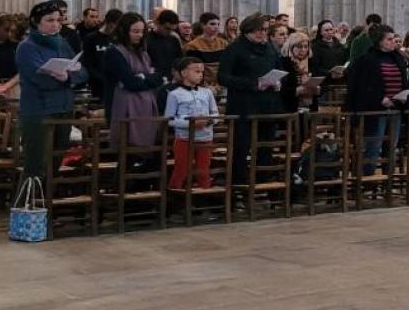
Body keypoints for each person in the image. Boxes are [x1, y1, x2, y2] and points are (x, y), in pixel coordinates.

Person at [16, 0, 87, 178]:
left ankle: (47, 201)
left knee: (55, 163)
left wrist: (68, 77)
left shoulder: (61, 43)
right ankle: (30, 203)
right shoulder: (27, 47)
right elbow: (40, 78)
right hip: (39, 111)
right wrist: (65, 78)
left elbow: (82, 72)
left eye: (58, 20)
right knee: (37, 164)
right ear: (35, 21)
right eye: (50, 20)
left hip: (64, 107)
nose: (55, 24)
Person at [219, 13, 282, 186]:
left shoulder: (269, 48)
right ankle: (238, 185)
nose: (263, 34)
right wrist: (254, 84)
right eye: (259, 30)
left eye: (265, 30)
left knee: (265, 148)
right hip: (243, 107)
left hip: (267, 105)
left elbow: (279, 68)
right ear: (247, 31)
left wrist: (277, 82)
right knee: (241, 148)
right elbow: (223, 77)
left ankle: (262, 184)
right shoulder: (235, 49)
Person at [345, 24, 409, 174]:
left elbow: (402, 80)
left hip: (395, 108)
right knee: (373, 147)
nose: (393, 41)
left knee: (392, 147)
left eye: (394, 38)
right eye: (389, 39)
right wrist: (380, 99)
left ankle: (388, 180)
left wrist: (405, 94)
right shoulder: (367, 60)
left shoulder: (397, 58)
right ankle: (368, 180)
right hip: (375, 111)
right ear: (379, 41)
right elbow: (362, 87)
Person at [103, 12, 164, 148]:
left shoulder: (143, 52)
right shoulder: (114, 52)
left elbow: (158, 77)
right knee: (126, 149)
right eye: (135, 31)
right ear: (124, 31)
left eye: (142, 31)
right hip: (123, 106)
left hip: (146, 106)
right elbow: (130, 82)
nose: (140, 35)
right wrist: (147, 78)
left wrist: (143, 77)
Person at [165, 57, 219, 190]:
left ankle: (203, 201)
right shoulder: (174, 94)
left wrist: (208, 120)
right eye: (196, 71)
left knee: (203, 171)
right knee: (181, 169)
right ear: (184, 73)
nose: (200, 75)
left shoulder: (207, 93)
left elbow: (215, 114)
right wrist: (190, 123)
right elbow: (169, 119)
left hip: (205, 137)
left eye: (201, 72)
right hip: (184, 138)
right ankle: (174, 198)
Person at [81, 9, 122, 100]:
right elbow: (87, 63)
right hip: (98, 84)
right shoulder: (91, 38)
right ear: (109, 23)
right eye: (116, 26)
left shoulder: (118, 39)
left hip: (117, 83)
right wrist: (102, 78)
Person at [280, 31, 320, 115]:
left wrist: (318, 89)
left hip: (310, 107)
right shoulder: (283, 63)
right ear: (290, 47)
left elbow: (320, 81)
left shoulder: (312, 62)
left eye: (306, 47)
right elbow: (279, 88)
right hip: (290, 109)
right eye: (299, 47)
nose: (303, 50)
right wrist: (297, 90)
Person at [183, 12, 228, 85]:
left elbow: (226, 66)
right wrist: (205, 85)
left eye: (218, 24)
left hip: (221, 83)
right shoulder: (193, 45)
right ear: (203, 25)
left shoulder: (224, 43)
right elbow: (194, 69)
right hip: (202, 84)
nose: (216, 27)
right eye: (212, 24)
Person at [146, 9, 184, 80]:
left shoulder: (174, 40)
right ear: (158, 23)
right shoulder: (146, 40)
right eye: (167, 28)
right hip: (153, 78)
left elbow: (179, 59)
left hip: (171, 78)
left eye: (172, 30)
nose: (169, 32)